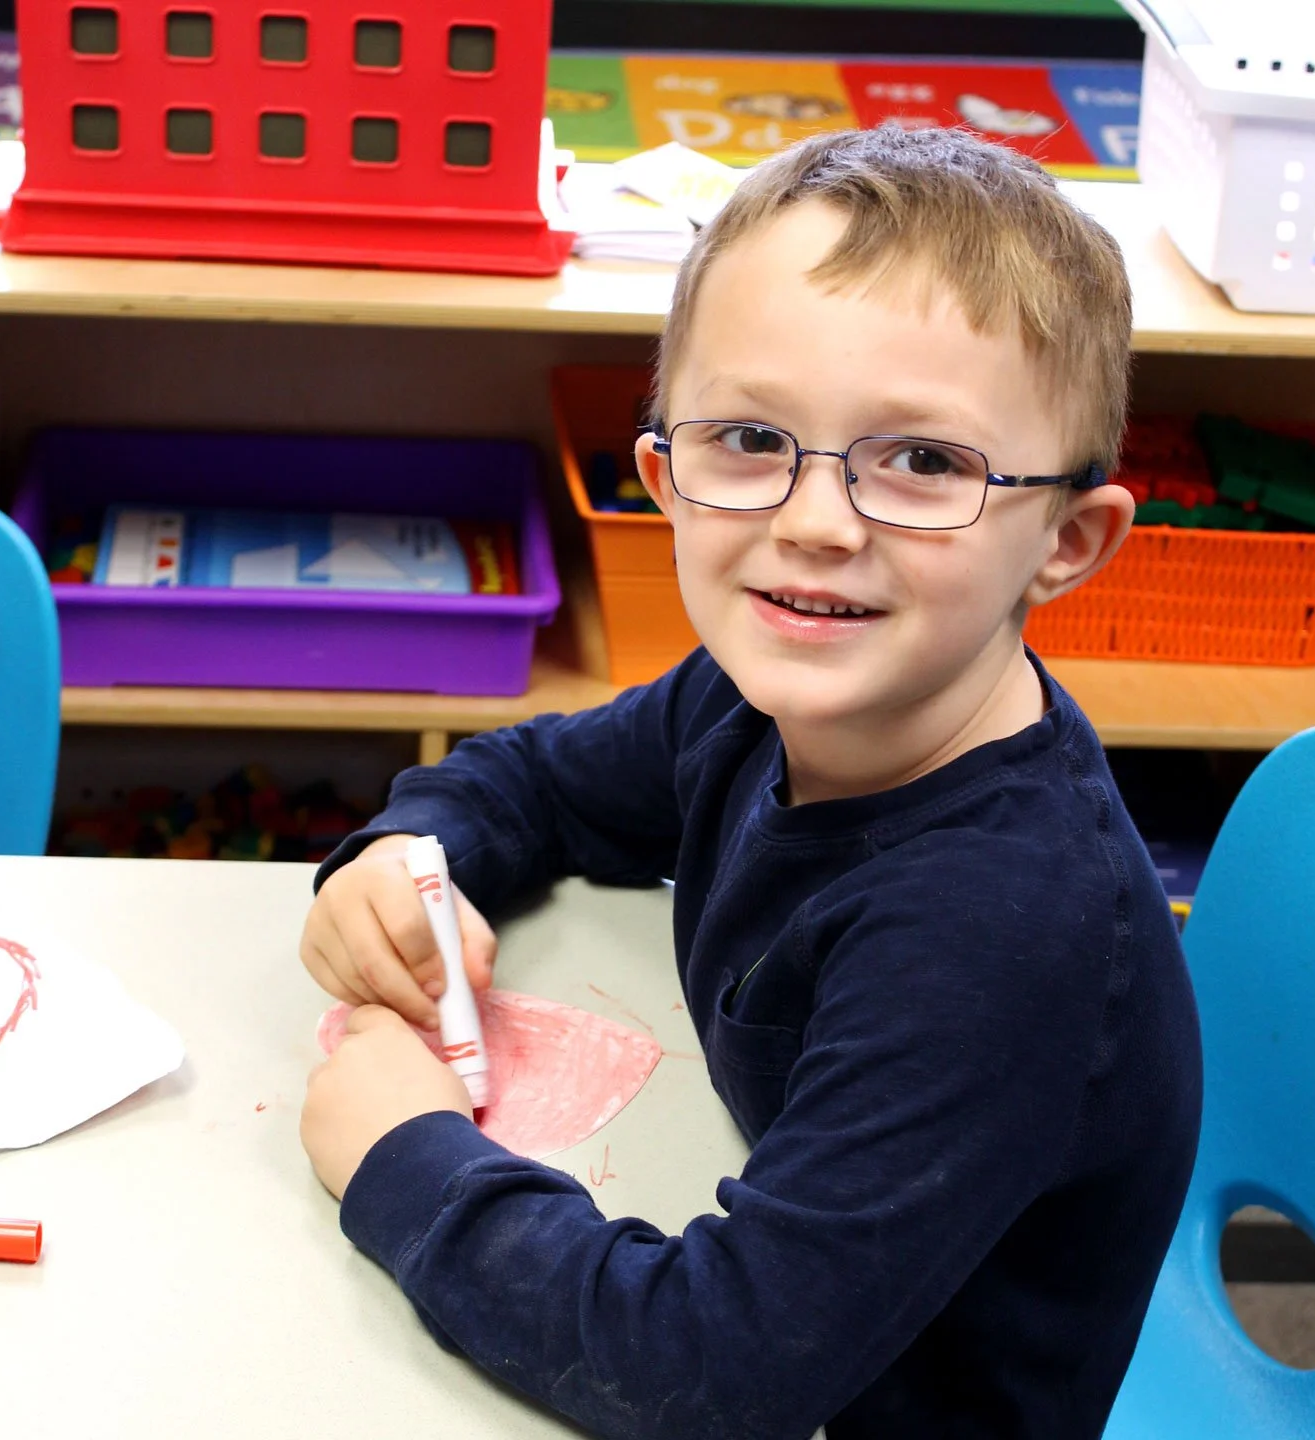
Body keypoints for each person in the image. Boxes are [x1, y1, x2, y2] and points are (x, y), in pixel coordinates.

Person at [298, 125, 1203, 1440]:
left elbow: (709, 1370)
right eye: (749, 438)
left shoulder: (998, 930)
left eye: (926, 463)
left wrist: (404, 1155)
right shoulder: (754, 693)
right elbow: (527, 782)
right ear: (665, 478)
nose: (818, 523)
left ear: (1067, 541)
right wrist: (398, 859)